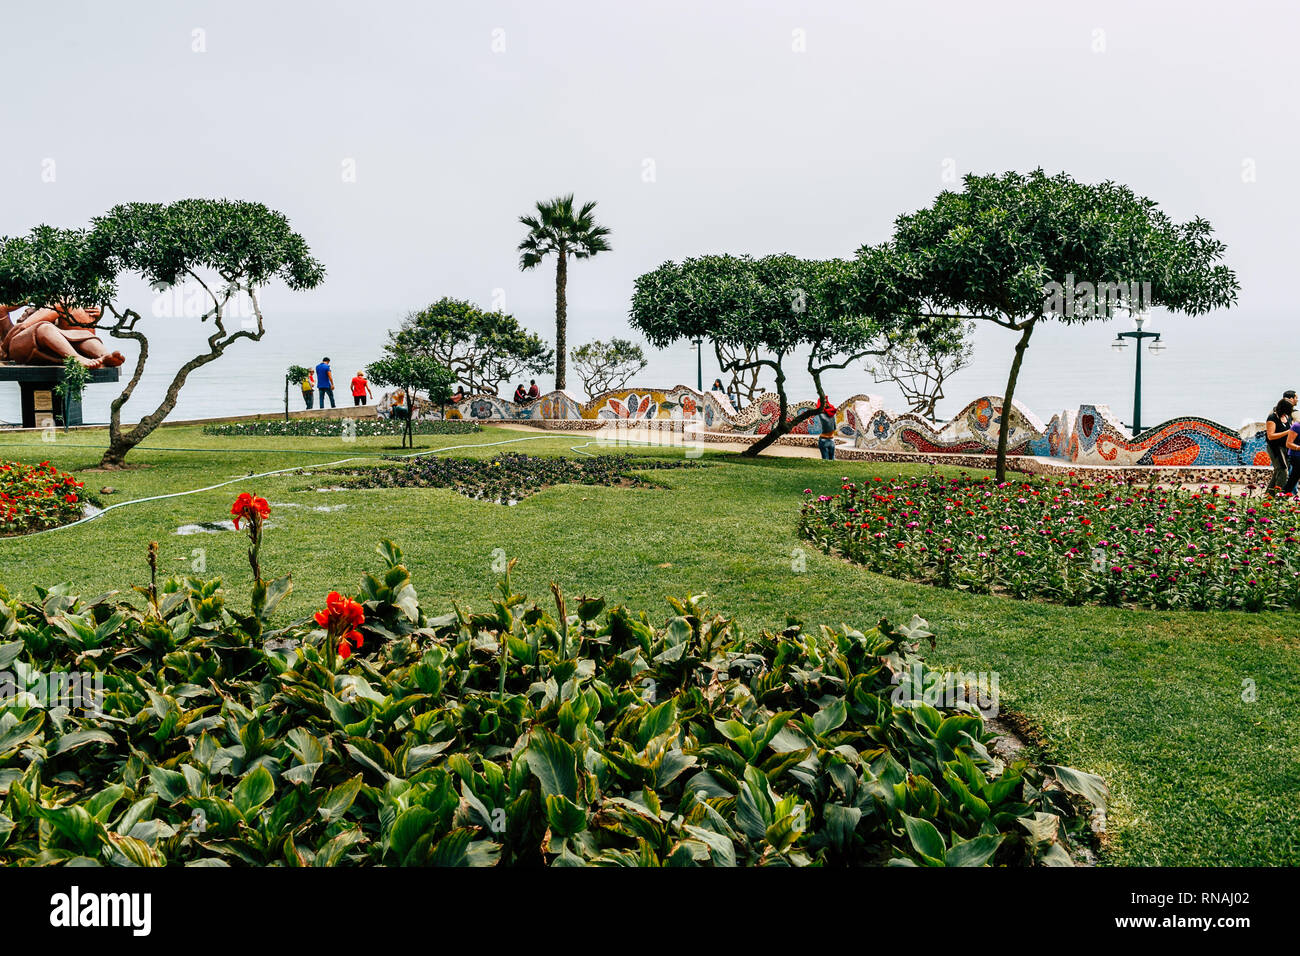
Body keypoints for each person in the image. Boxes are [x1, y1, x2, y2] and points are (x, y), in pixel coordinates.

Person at [0, 303, 126, 369]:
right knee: (45, 327)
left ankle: (104, 355)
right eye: (27, 312)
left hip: (50, 345)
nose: (25, 314)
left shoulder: (52, 330)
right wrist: (27, 298)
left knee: (82, 335)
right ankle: (76, 358)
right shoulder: (15, 330)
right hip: (19, 348)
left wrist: (91, 319)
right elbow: (1, 308)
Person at [1265, 391, 1295, 494]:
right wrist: (1287, 432)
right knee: (1283, 471)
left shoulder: (1287, 417)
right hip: (1275, 448)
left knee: (1278, 471)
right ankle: (1279, 494)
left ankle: (1269, 495)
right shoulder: (1272, 418)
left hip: (1284, 447)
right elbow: (1271, 436)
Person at [1284, 416, 1300, 495]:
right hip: (1296, 456)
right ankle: (1282, 496)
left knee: (1293, 478)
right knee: (1293, 478)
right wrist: (1298, 448)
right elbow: (1288, 444)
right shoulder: (1296, 426)